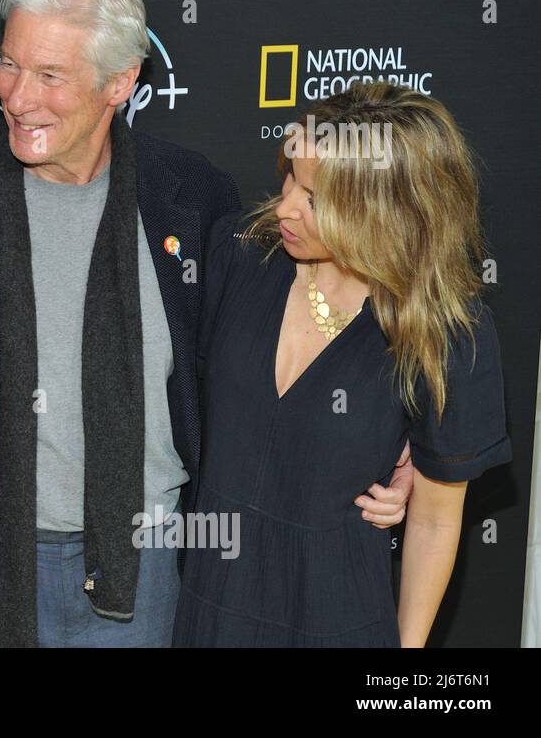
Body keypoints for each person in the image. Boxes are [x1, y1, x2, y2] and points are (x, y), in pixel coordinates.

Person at [0, 0, 412, 648]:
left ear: (120, 82)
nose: (18, 95)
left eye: (50, 75)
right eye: (9, 65)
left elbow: (277, 356)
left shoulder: (191, 199)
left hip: (151, 564)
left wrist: (387, 457)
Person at [172, 82, 511, 646]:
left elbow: (433, 521)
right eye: (289, 178)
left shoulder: (446, 332)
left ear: (388, 212)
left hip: (339, 622)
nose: (284, 207)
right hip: (212, 611)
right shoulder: (240, 256)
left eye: (315, 199)